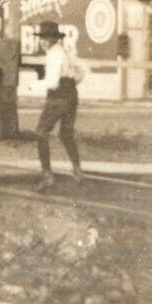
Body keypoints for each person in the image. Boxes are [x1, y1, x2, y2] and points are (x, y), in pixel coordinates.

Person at [34, 19, 87, 190]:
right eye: (41, 37)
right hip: (71, 96)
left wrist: (32, 85)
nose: (42, 41)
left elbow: (52, 83)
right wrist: (71, 82)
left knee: (41, 133)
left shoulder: (53, 55)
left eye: (45, 38)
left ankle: (47, 176)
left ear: (53, 39)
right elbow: (82, 69)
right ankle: (78, 170)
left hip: (57, 98)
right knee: (66, 134)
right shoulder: (65, 52)